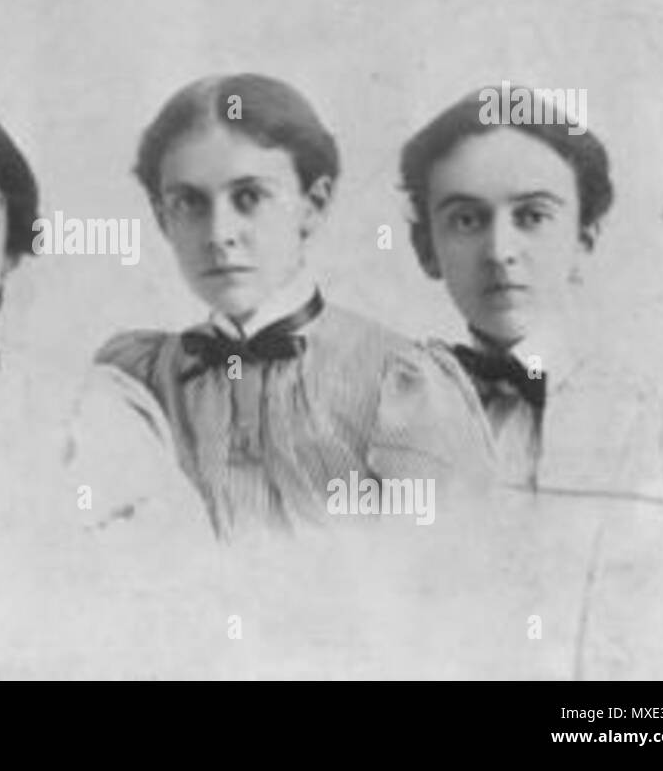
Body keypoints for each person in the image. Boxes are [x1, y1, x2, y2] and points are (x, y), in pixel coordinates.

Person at [84, 73, 491, 542]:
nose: (219, 233)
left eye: (249, 197)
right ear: (161, 219)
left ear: (312, 204)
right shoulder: (140, 381)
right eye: (189, 203)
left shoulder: (397, 383)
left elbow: (447, 575)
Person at [398, 84, 663, 501]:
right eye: (467, 220)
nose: (499, 252)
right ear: (426, 248)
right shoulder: (395, 410)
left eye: (532, 216)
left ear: (584, 239)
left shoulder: (639, 415)